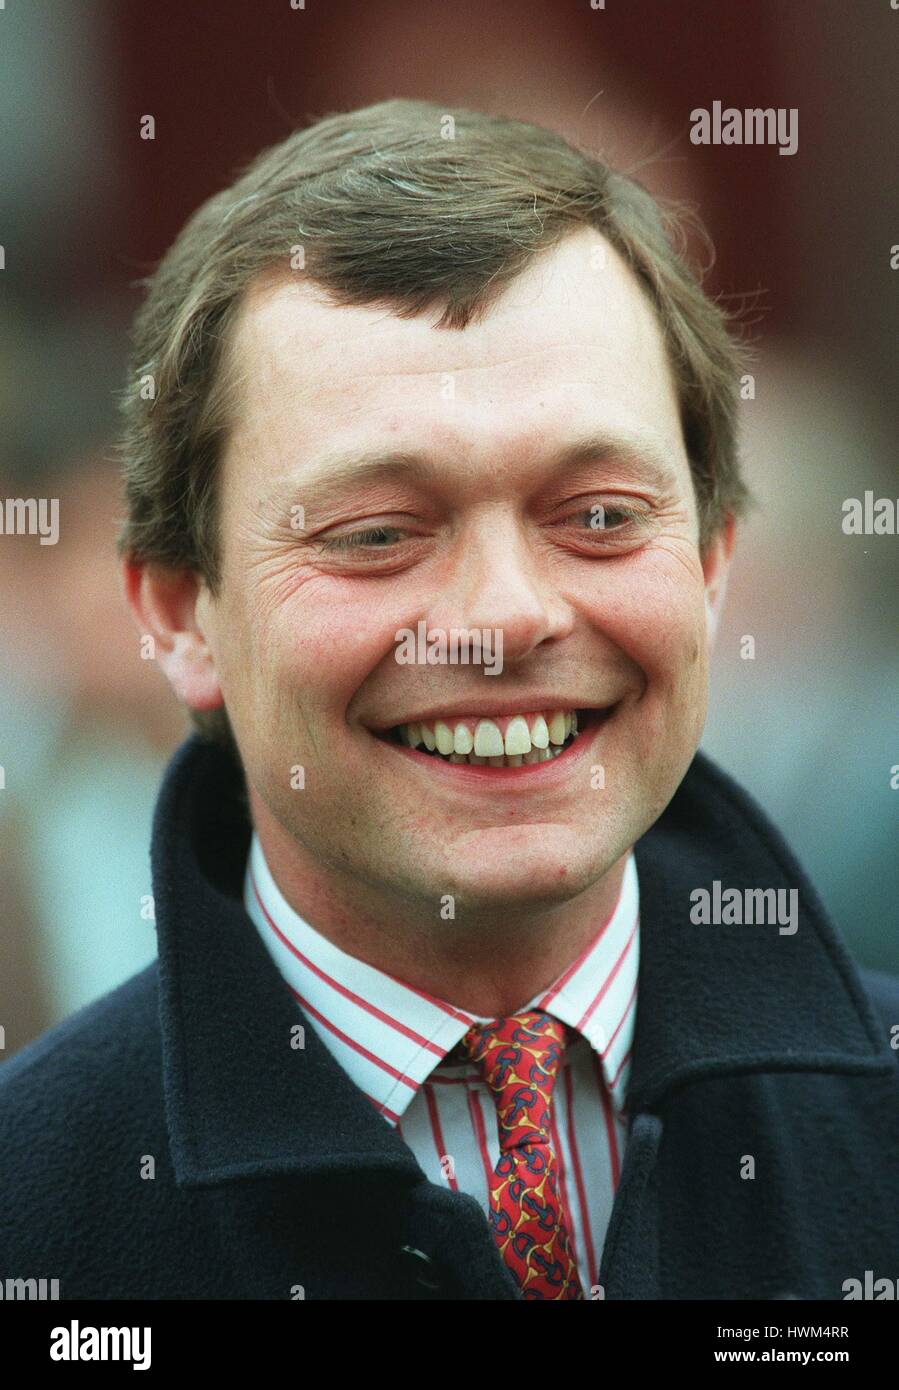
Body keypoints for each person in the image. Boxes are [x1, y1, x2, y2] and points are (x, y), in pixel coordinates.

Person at [1, 99, 897, 1301]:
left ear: (712, 561)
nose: (504, 615)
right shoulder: (37, 1214)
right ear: (176, 610)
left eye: (597, 517)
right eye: (376, 533)